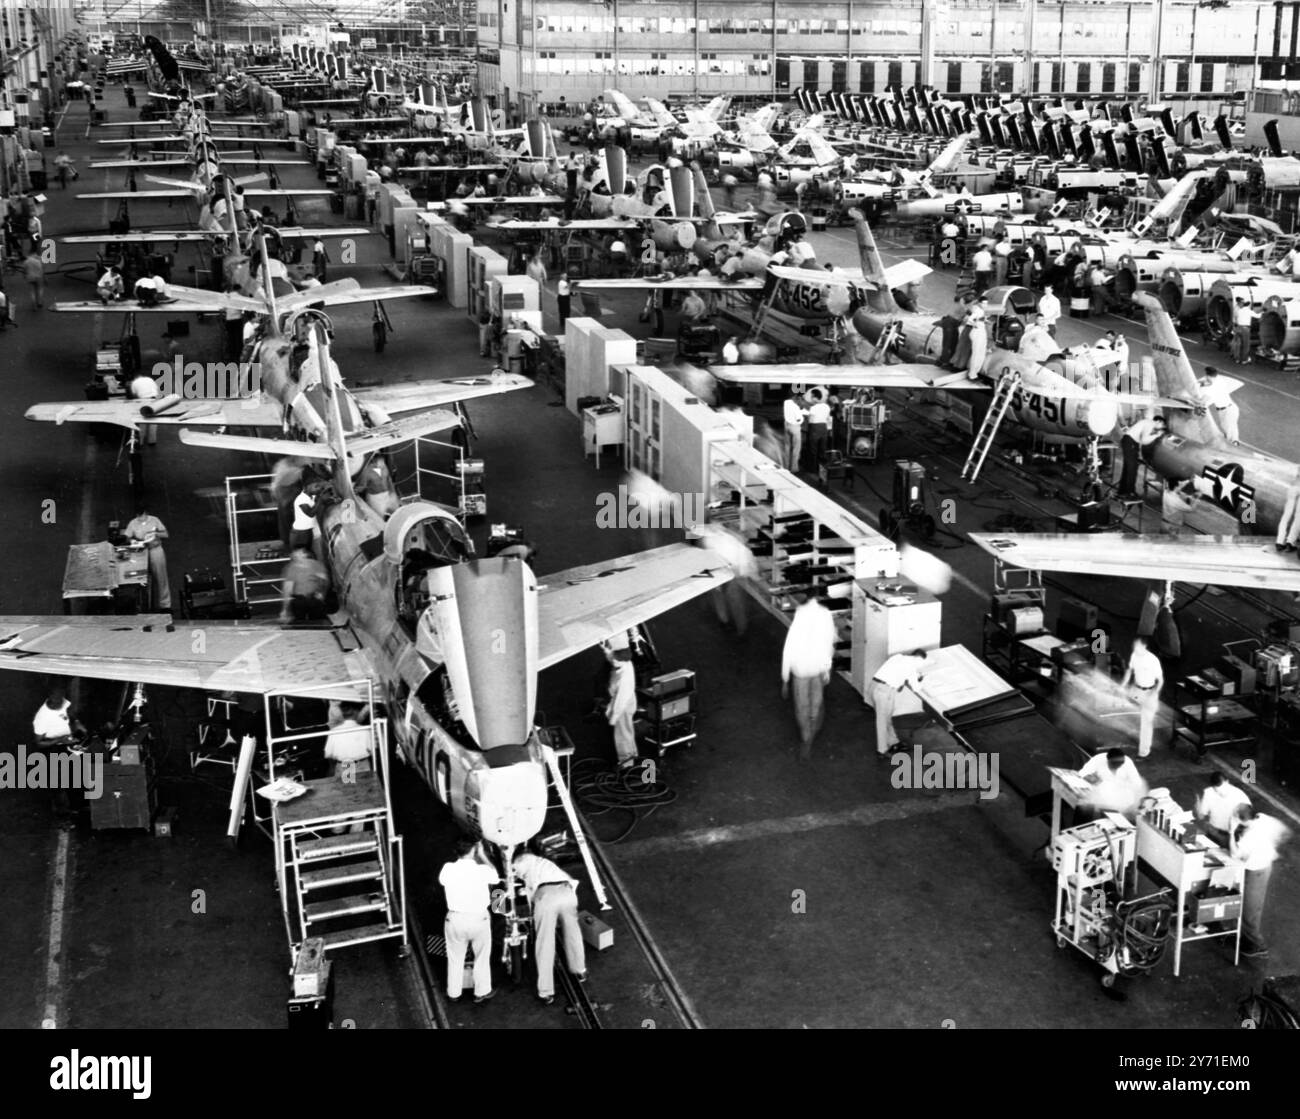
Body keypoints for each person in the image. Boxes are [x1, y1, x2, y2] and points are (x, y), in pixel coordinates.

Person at [513, 846, 587, 1005]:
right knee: (573, 933)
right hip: (567, 893)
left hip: (546, 897)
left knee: (545, 942)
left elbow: (521, 881)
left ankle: (546, 991)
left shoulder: (521, 861)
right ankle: (579, 970)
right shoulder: (545, 863)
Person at [438, 839, 499, 1003]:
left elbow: (443, 881)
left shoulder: (448, 868)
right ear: (474, 850)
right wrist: (483, 855)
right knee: (482, 956)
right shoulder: (482, 870)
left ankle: (453, 993)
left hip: (455, 919)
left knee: (455, 957)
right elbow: (496, 879)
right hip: (479, 919)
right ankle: (481, 992)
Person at [780, 590, 836, 760]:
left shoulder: (800, 614)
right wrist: (827, 668)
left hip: (800, 669)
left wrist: (785, 678)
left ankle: (806, 739)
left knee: (802, 706)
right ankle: (811, 734)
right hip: (818, 667)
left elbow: (789, 646)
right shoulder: (825, 615)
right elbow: (828, 643)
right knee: (816, 705)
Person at [1230, 805, 1289, 958]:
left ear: (1241, 820)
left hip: (1255, 872)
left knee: (1250, 910)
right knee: (1248, 906)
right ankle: (1245, 937)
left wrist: (1231, 832)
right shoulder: (1264, 818)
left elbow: (1235, 854)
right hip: (1264, 866)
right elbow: (1284, 832)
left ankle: (1257, 945)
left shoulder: (1249, 836)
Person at [34, 686, 87, 822]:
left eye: (61, 697)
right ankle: (63, 818)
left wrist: (76, 723)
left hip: (67, 746)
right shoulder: (42, 717)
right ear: (50, 697)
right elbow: (39, 743)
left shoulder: (62, 701)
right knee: (58, 785)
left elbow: (69, 713)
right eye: (57, 699)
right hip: (53, 749)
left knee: (74, 777)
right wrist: (60, 740)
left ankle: (76, 809)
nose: (61, 701)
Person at [867, 649, 929, 757]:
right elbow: (916, 688)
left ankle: (894, 742)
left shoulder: (897, 657)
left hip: (875, 686)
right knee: (882, 720)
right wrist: (924, 679)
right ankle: (882, 750)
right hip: (884, 691)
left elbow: (895, 676)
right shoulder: (912, 667)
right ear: (919, 659)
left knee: (886, 717)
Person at [1120, 635, 1163, 758]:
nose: (1135, 648)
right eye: (1134, 646)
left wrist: (1153, 694)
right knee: (1124, 709)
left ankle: (1143, 752)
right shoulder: (1134, 655)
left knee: (1146, 723)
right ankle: (1132, 736)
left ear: (1144, 646)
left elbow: (1160, 681)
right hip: (1136, 690)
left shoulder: (1153, 660)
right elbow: (1130, 670)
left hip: (1149, 693)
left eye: (1137, 646)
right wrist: (1123, 685)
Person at [124, 503, 172, 611]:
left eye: (142, 516)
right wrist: (132, 540)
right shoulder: (133, 523)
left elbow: (166, 534)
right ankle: (144, 607)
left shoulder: (155, 520)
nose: (140, 519)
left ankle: (165, 606)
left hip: (155, 549)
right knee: (142, 579)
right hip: (141, 551)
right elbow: (127, 536)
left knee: (161, 577)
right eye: (138, 516)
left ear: (146, 513)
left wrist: (156, 534)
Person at [1078, 747, 1148, 820]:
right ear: (1107, 760)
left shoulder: (1127, 762)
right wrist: (1093, 780)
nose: (1116, 767)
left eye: (1119, 765)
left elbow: (1137, 783)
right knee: (1087, 808)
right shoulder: (1098, 759)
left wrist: (1124, 786)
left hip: (1121, 796)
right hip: (1100, 793)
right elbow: (1082, 773)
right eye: (1113, 764)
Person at [605, 635, 639, 770]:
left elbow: (621, 701)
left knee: (622, 734)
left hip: (623, 705)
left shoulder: (624, 678)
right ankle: (633, 754)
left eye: (615, 661)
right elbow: (612, 657)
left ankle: (626, 763)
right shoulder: (625, 662)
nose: (613, 662)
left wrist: (614, 717)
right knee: (628, 730)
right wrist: (606, 650)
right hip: (627, 701)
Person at [1116, 412, 1166, 498]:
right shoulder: (1150, 423)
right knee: (1132, 468)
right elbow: (1144, 440)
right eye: (1162, 425)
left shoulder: (1146, 422)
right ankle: (1129, 492)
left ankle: (1122, 491)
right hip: (1130, 441)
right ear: (1158, 421)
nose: (1161, 428)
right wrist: (1157, 435)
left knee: (1128, 467)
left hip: (1129, 441)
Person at [1194, 772, 1251, 849]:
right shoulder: (1208, 792)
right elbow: (1201, 816)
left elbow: (1248, 823)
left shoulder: (1241, 797)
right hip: (1212, 834)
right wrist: (1198, 805)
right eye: (1217, 791)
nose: (1221, 793)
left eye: (1223, 788)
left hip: (1230, 837)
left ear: (1227, 781)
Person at [280, 546, 330, 622]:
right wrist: (285, 609)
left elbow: (324, 581)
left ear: (305, 554)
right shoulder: (292, 568)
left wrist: (322, 594)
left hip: (309, 600)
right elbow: (288, 589)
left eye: (298, 553)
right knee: (311, 624)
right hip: (305, 600)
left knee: (310, 623)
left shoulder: (314, 565)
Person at [323, 701, 371, 776]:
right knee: (364, 786)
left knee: (349, 787)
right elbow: (371, 750)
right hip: (361, 764)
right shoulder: (365, 730)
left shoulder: (334, 731)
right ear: (356, 712)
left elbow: (328, 753)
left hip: (346, 764)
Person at [1199, 366, 1240, 446]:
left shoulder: (1212, 388)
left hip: (1226, 411)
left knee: (1229, 434)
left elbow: (1202, 401)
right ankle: (1234, 444)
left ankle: (1232, 449)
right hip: (1230, 408)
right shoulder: (1219, 379)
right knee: (1231, 431)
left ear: (1208, 376)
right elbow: (1206, 381)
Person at [290, 481, 323, 553]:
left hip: (308, 532)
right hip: (300, 534)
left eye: (319, 487)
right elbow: (310, 513)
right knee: (301, 557)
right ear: (306, 487)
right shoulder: (301, 499)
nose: (319, 489)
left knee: (309, 554)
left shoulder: (312, 497)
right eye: (316, 486)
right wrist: (321, 500)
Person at [805, 389, 831, 468]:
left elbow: (810, 420)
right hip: (824, 428)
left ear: (815, 397)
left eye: (812, 397)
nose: (811, 399)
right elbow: (828, 418)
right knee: (822, 449)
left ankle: (812, 468)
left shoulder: (813, 408)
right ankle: (822, 468)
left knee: (813, 449)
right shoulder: (826, 406)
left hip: (814, 429)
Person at [1276, 465, 1300, 552]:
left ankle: (1279, 542)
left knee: (1286, 516)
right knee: (1298, 518)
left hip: (1293, 488)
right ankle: (1290, 542)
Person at [1231, 297, 1253, 364]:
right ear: (1239, 302)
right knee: (1244, 344)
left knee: (1237, 343)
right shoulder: (1239, 310)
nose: (1243, 303)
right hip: (1241, 327)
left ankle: (1236, 357)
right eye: (1242, 302)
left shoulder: (1237, 308)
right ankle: (1244, 359)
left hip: (1237, 327)